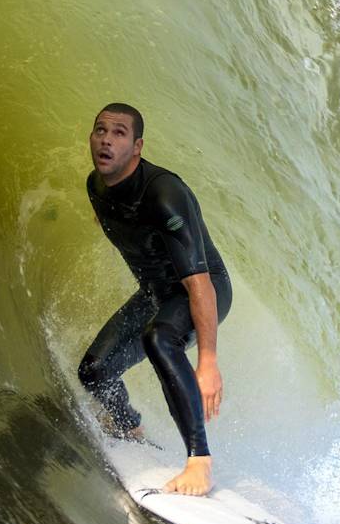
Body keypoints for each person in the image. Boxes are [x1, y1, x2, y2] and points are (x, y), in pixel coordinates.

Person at [78, 103, 231, 495]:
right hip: (155, 293)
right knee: (94, 371)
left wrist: (208, 362)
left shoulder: (165, 194)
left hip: (202, 288)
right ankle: (130, 427)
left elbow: (198, 283)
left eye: (118, 133)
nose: (106, 140)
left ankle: (200, 461)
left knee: (159, 338)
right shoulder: (96, 187)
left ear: (137, 147)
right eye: (100, 130)